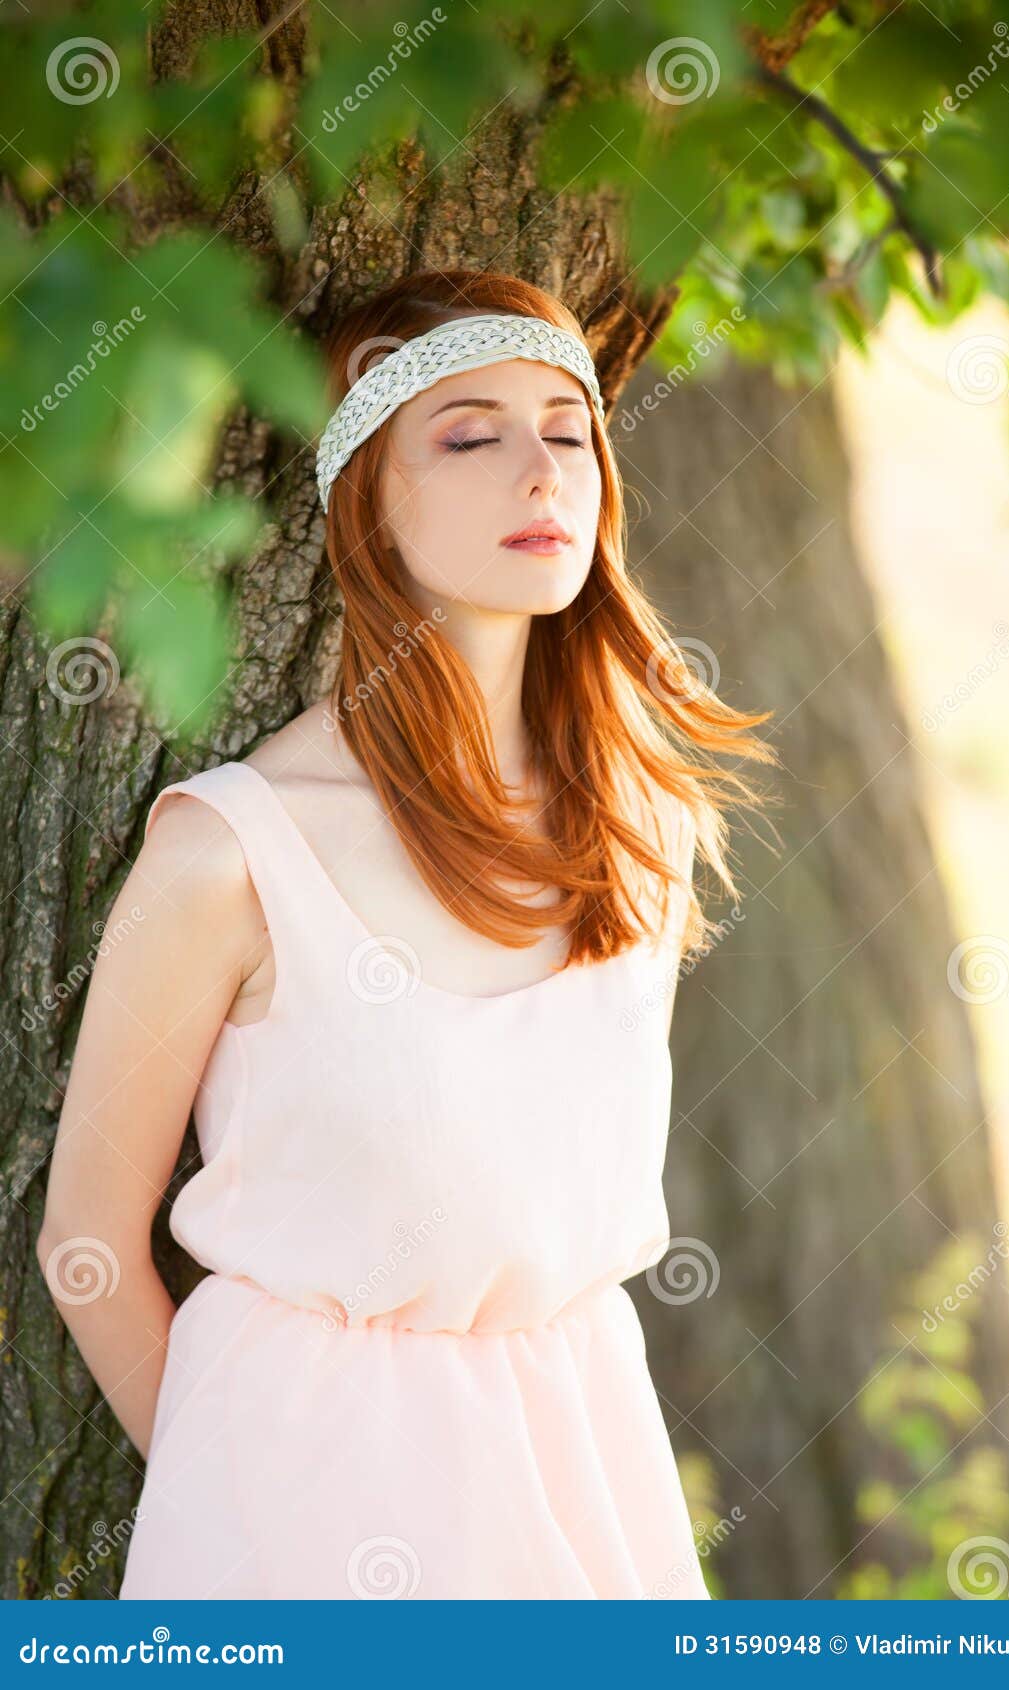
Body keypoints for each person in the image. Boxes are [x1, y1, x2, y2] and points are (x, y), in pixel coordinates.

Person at [37, 268, 776, 1599]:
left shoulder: (645, 827)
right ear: (365, 499)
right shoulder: (233, 851)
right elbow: (83, 1238)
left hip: (586, 1485)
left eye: (567, 426)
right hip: (298, 1508)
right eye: (470, 432)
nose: (542, 470)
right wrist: (238, 1496)